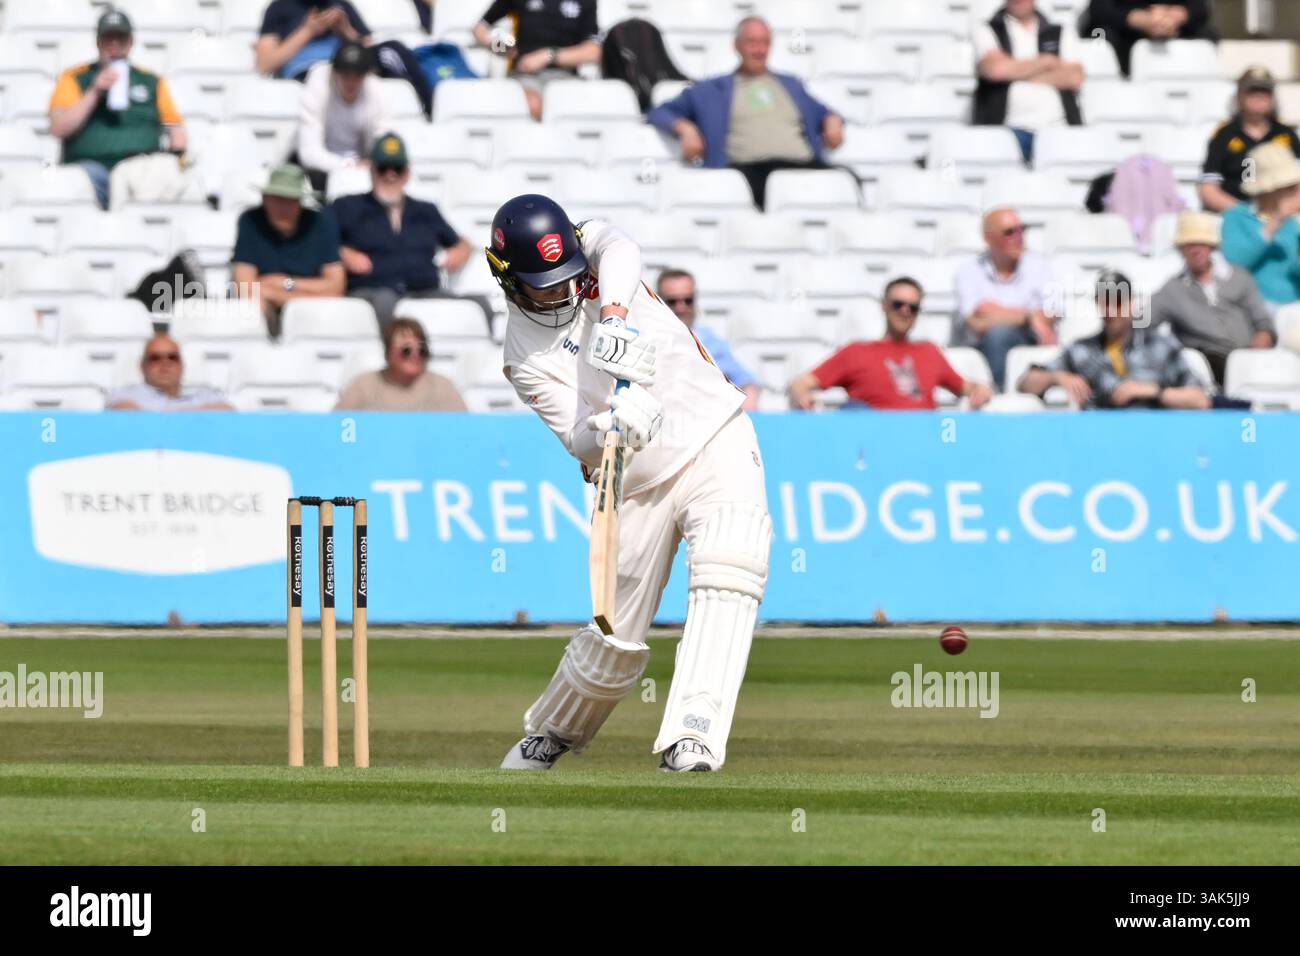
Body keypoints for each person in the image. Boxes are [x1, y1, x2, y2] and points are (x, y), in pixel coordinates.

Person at [488, 194, 770, 773]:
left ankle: (693, 734)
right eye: (542, 285)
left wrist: (613, 318)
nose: (561, 292)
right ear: (509, 281)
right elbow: (578, 441)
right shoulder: (523, 355)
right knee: (613, 634)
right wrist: (610, 425)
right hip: (634, 479)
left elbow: (622, 246)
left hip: (714, 430)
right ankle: (553, 733)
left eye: (566, 276)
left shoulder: (591, 246)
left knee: (731, 563)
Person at [647, 16, 845, 209]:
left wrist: (832, 119)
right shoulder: (711, 90)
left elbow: (825, 112)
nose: (759, 49)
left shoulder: (791, 84)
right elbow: (658, 112)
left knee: (846, 182)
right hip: (748, 172)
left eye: (765, 42)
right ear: (737, 45)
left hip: (804, 166)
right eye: (752, 42)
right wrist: (685, 128)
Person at [48, 10, 188, 210]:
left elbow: (176, 132)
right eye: (108, 39)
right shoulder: (75, 78)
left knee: (151, 177)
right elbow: (58, 128)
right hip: (91, 170)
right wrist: (94, 92)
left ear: (130, 42)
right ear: (98, 42)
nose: (114, 45)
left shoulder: (151, 81)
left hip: (140, 169)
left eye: (120, 39)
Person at [331, 133, 474, 329]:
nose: (390, 175)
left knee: (477, 306)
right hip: (373, 290)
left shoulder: (425, 210)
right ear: (372, 171)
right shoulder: (347, 207)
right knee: (385, 301)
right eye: (383, 168)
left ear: (406, 173)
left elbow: (460, 242)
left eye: (397, 168)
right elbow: (318, 241)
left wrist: (461, 250)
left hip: (424, 289)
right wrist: (342, 253)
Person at [787, 277, 993, 411]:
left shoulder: (929, 352)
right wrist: (802, 397)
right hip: (871, 442)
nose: (905, 311)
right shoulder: (856, 352)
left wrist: (980, 389)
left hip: (921, 441)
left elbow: (965, 386)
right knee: (853, 410)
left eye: (912, 307)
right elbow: (801, 383)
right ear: (884, 306)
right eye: (898, 305)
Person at [1018, 271, 1212, 408]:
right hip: (1096, 441)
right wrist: (1057, 377)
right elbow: (1025, 384)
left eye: (1117, 302)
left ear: (1132, 303)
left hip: (1153, 437)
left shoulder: (1160, 347)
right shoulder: (1082, 350)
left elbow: (1200, 400)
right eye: (1105, 302)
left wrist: (1152, 392)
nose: (1110, 311)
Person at [1151, 212, 1275, 385]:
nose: (1196, 250)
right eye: (1189, 244)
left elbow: (1264, 325)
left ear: (1211, 246)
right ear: (1181, 250)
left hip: (1250, 360)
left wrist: (1253, 356)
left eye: (1201, 243)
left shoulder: (1239, 277)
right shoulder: (1172, 289)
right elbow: (1141, 321)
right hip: (1207, 366)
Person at [256, 0, 432, 116]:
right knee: (324, 75)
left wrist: (345, 30)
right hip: (307, 72)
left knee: (391, 50)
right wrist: (308, 31)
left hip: (349, 64)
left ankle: (425, 110)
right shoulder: (278, 8)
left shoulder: (340, 5)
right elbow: (264, 64)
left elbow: (367, 49)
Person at [232, 163, 346, 336]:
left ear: (300, 202)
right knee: (252, 305)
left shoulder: (321, 223)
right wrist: (309, 291)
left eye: (291, 200)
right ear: (265, 199)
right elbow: (245, 286)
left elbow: (336, 287)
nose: (284, 208)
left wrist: (283, 284)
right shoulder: (250, 222)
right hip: (268, 311)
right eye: (278, 199)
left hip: (314, 315)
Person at [953, 207, 1058, 388]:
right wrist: (1029, 317)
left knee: (998, 334)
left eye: (1021, 229)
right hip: (983, 348)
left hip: (1030, 344)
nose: (1019, 237)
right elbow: (974, 324)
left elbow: (1051, 315)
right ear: (989, 238)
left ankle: (1000, 397)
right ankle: (999, 399)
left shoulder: (1041, 266)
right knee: (998, 335)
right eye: (1010, 232)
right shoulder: (968, 271)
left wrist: (993, 311)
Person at [972, 0, 1084, 164]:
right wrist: (1047, 62)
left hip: (1059, 130)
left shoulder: (1059, 31)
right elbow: (996, 70)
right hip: (1008, 131)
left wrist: (1014, 70)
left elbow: (1074, 78)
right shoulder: (988, 28)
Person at [472, 0, 602, 121]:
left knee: (580, 109)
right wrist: (496, 45)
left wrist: (548, 56)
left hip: (567, 77)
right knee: (530, 105)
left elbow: (593, 52)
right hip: (524, 75)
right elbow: (480, 28)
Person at [295, 42, 393, 193]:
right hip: (321, 172)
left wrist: (371, 164)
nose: (351, 82)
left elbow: (383, 141)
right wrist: (349, 165)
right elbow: (308, 152)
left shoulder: (376, 90)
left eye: (358, 76)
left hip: (363, 173)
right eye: (346, 75)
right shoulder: (319, 84)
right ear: (334, 72)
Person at [655, 269, 759, 411]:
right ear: (658, 301)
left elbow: (747, 385)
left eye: (688, 300)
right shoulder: (646, 340)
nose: (681, 307)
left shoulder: (710, 342)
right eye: (672, 301)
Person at [1200, 67, 1300, 213]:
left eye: (1265, 91)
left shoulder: (1286, 134)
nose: (1259, 96)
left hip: (1280, 216)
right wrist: (1243, 213)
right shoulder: (1224, 135)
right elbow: (1208, 188)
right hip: (1234, 214)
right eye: (1252, 90)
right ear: (1240, 95)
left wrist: (1278, 215)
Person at [1221, 141, 1300, 307]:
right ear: (1270, 189)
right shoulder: (1236, 216)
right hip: (1255, 309)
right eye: (1290, 186)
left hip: (1294, 305)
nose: (1295, 191)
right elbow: (1236, 263)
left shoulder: (1294, 221)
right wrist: (1275, 221)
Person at [335, 317, 467, 410]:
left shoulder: (441, 386)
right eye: (406, 350)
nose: (415, 355)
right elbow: (336, 428)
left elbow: (466, 432)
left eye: (422, 350)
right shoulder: (365, 385)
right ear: (389, 352)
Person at [1083, 1, 1216, 77]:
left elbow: (1201, 9)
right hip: (1125, 34)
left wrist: (1179, 15)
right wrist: (1134, 18)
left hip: (1174, 30)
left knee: (1207, 35)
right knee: (1099, 34)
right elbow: (1097, 10)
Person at [106, 335, 232, 411]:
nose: (165, 363)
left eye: (172, 357)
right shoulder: (125, 394)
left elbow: (227, 412)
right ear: (142, 366)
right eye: (155, 358)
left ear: (182, 366)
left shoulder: (204, 394)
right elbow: (123, 413)